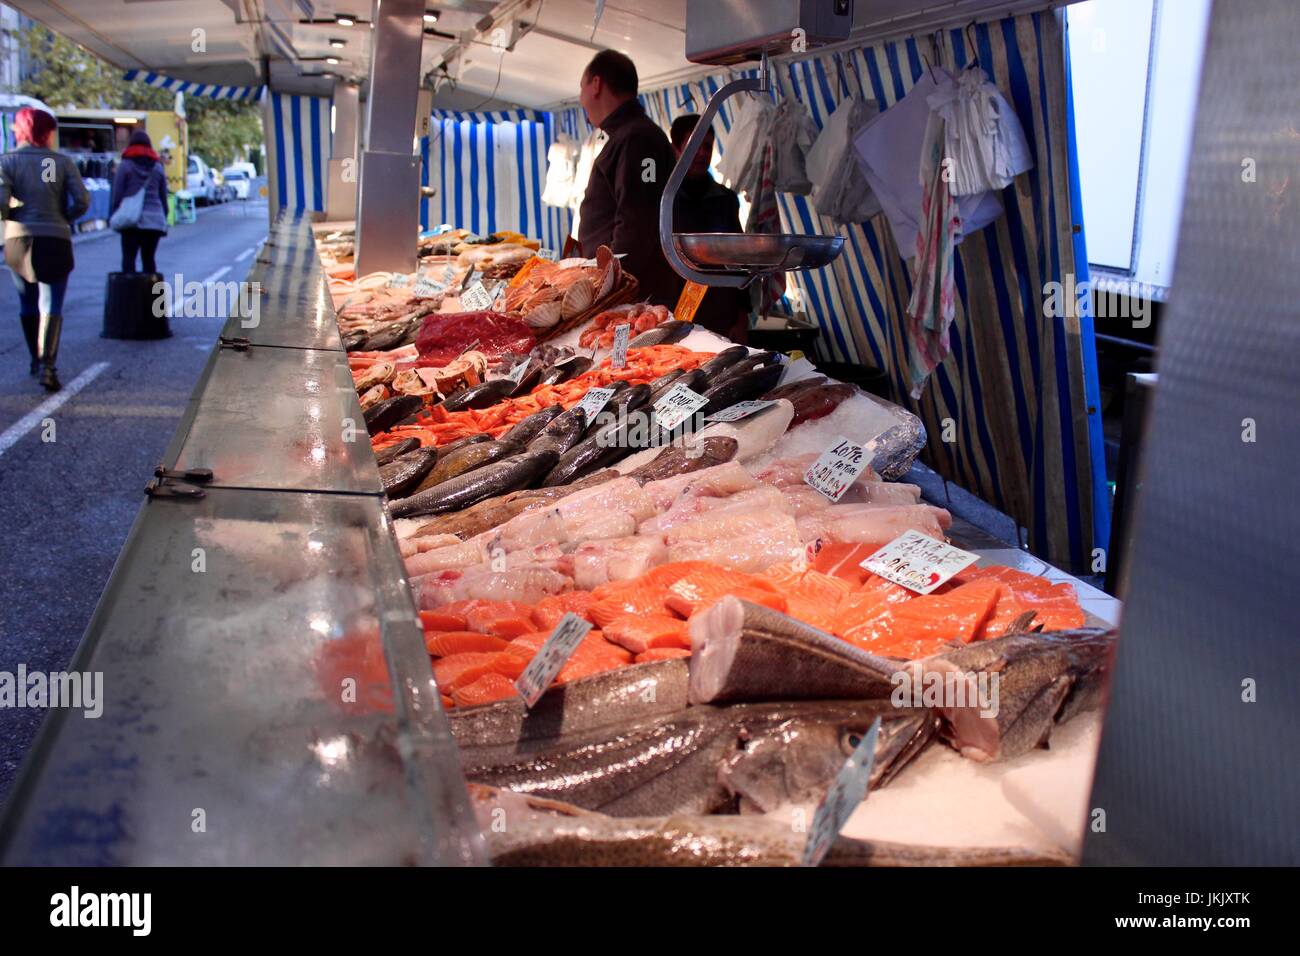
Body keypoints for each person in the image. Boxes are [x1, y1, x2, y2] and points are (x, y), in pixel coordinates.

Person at [576, 50, 682, 306]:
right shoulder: (629, 135)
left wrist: (612, 289)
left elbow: (638, 222)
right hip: (626, 293)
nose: (580, 99)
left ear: (596, 84)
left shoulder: (638, 138)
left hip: (633, 299)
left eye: (581, 87)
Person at [0, 107, 89, 392]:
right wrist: (64, 216)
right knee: (51, 304)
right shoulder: (61, 162)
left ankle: (34, 360)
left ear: (21, 130)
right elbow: (82, 201)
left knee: (27, 303)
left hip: (18, 240)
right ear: (47, 132)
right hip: (55, 238)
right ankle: (49, 367)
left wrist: (16, 216)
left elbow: (1, 201)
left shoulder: (7, 161)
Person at [669, 114, 751, 343]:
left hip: (722, 315)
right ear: (675, 148)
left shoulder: (725, 200)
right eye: (695, 145)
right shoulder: (664, 202)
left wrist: (742, 317)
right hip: (675, 316)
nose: (703, 153)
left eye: (707, 146)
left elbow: (740, 260)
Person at [111, 130, 170, 274]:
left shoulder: (125, 165)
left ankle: (130, 294)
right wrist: (164, 216)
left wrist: (114, 213)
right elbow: (163, 197)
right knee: (149, 260)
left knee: (129, 259)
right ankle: (150, 295)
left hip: (131, 220)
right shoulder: (158, 167)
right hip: (154, 221)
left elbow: (117, 194)